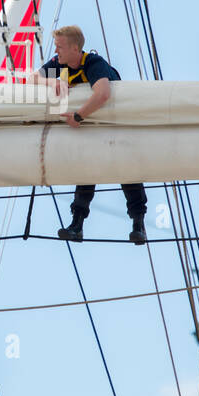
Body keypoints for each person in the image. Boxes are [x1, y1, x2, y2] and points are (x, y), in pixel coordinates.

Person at [34, 25, 148, 245]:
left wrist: (78, 116)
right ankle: (76, 226)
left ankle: (138, 226)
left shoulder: (93, 63)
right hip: (93, 128)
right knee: (85, 173)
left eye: (60, 47)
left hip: (116, 127)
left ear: (75, 48)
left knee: (127, 174)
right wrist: (53, 81)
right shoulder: (60, 64)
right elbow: (33, 78)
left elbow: (103, 93)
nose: (56, 52)